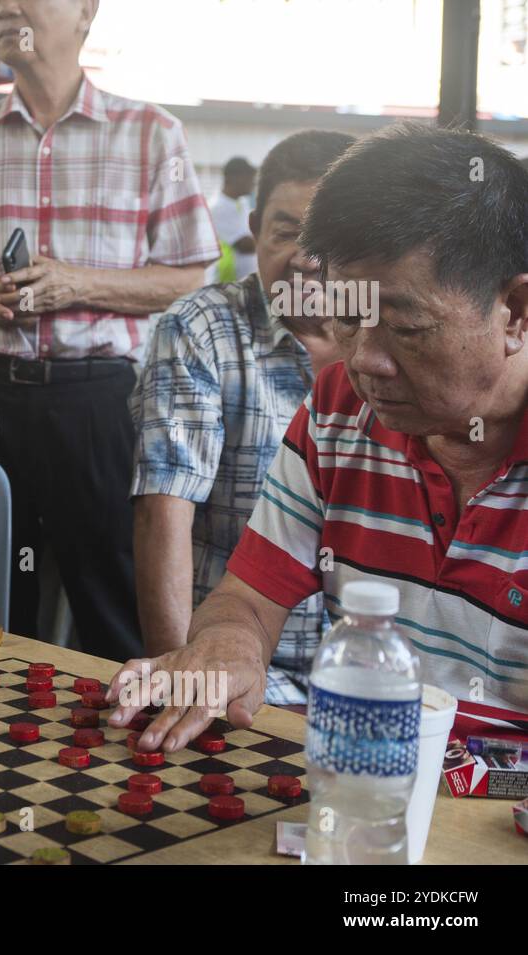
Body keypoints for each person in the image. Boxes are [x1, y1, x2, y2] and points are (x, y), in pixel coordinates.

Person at [108, 123, 528, 751]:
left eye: (407, 329)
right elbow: (248, 599)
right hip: (368, 787)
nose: (365, 361)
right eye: (348, 315)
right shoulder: (339, 411)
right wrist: (228, 648)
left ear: (516, 311)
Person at [0, 0, 219, 658]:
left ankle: (127, 749)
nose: (5, 8)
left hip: (98, 403)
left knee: (114, 603)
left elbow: (188, 274)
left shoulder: (151, 134)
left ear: (85, 12)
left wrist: (78, 284)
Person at [130, 131, 355, 705]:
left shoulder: (392, 345)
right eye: (286, 233)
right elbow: (165, 511)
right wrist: (183, 675)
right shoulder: (202, 328)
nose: (306, 259)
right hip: (242, 669)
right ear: (254, 228)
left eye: (330, 238)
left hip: (371, 668)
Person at [208, 156, 257, 283]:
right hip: (228, 281)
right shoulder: (218, 207)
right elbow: (246, 245)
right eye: (248, 177)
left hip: (245, 280)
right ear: (231, 178)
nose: (253, 182)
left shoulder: (242, 202)